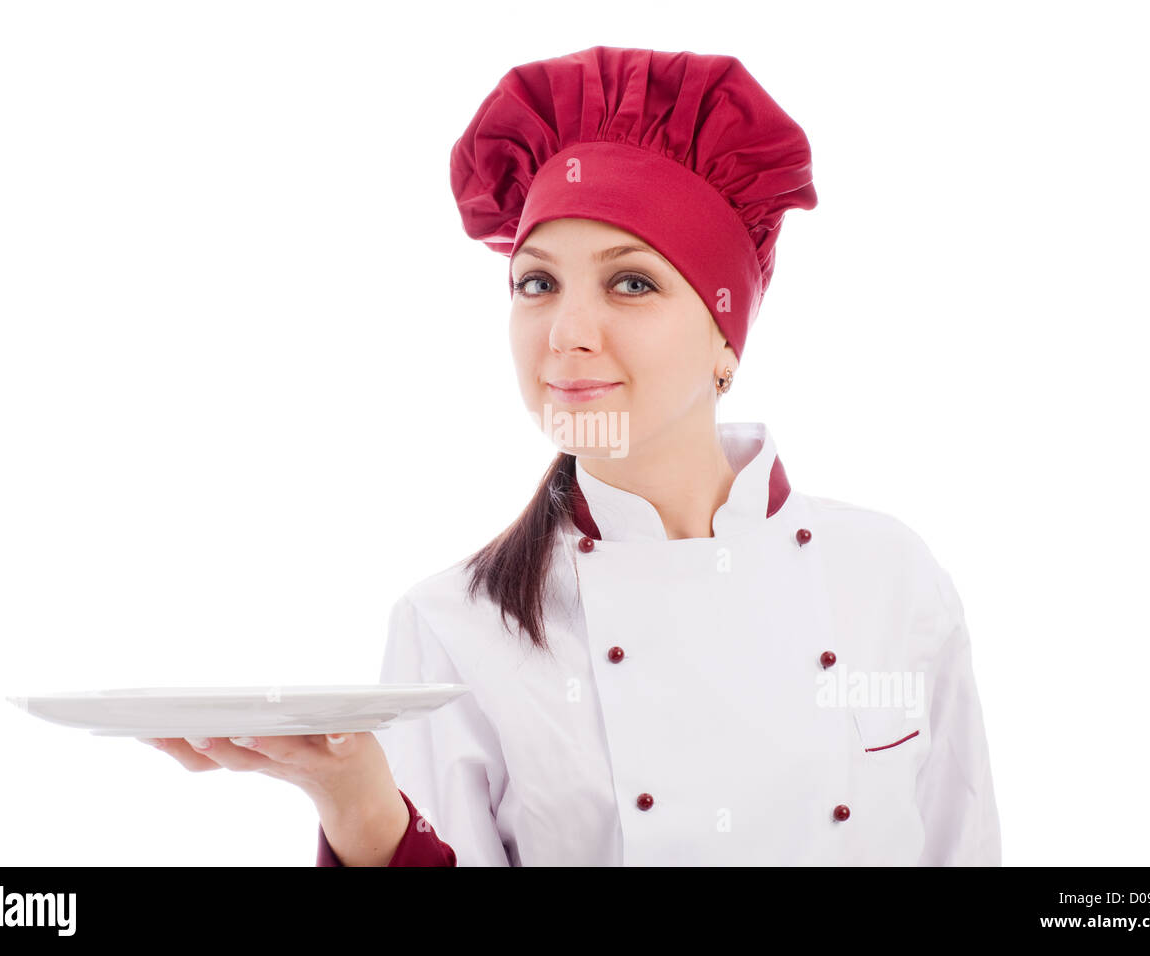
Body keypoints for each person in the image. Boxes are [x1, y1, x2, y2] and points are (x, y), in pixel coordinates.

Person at [143, 45, 1001, 867]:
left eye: (632, 283)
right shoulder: (452, 628)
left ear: (725, 338)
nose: (566, 335)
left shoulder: (891, 576)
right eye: (537, 284)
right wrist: (363, 809)